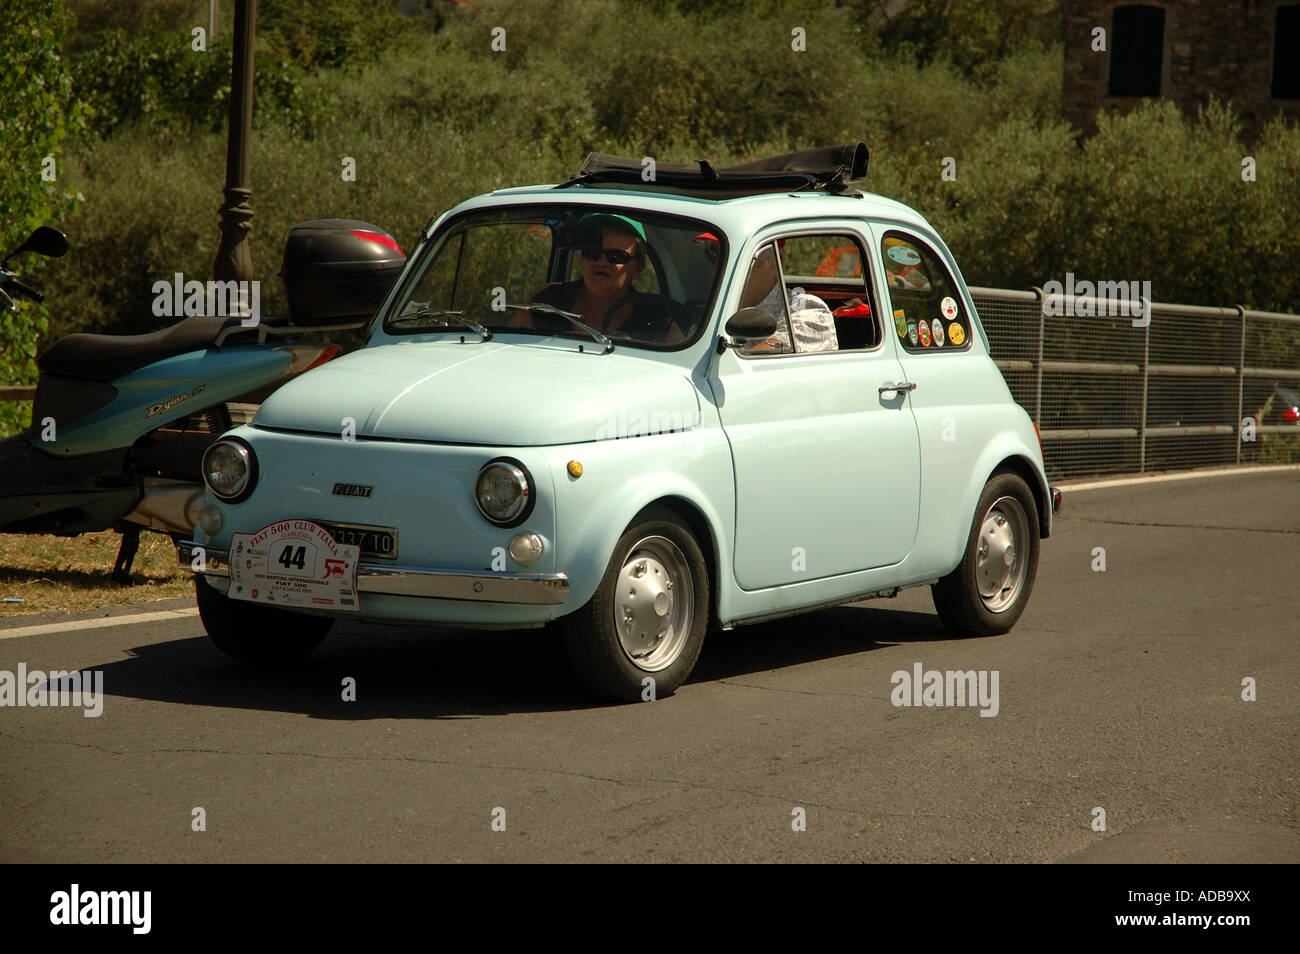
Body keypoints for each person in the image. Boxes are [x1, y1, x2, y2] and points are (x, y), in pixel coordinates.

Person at [512, 213, 685, 343]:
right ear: (579, 255)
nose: (602, 262)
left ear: (637, 268)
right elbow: (508, 354)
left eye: (616, 257)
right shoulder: (545, 304)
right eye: (592, 253)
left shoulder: (658, 323)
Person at [737, 242, 838, 353]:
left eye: (737, 260)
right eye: (714, 256)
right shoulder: (719, 309)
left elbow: (743, 366)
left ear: (775, 261)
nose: (715, 267)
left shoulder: (806, 309)